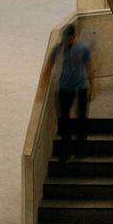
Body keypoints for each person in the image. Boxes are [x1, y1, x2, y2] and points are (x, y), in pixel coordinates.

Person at [39, 23, 96, 162]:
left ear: (73, 36)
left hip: (81, 87)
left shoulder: (83, 48)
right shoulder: (57, 49)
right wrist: (42, 87)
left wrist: (93, 88)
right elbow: (48, 67)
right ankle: (66, 151)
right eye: (63, 38)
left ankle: (80, 149)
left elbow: (89, 68)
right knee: (64, 120)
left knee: (82, 118)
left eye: (67, 38)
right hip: (64, 88)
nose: (65, 41)